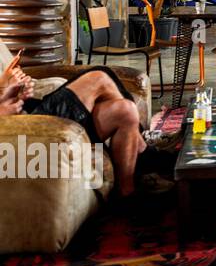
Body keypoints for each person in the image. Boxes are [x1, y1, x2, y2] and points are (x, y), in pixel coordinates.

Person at [0, 62, 146, 196]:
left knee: (125, 110)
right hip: (32, 126)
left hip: (28, 112)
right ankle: (143, 150)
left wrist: (12, 95)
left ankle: (127, 189)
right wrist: (3, 96)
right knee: (99, 77)